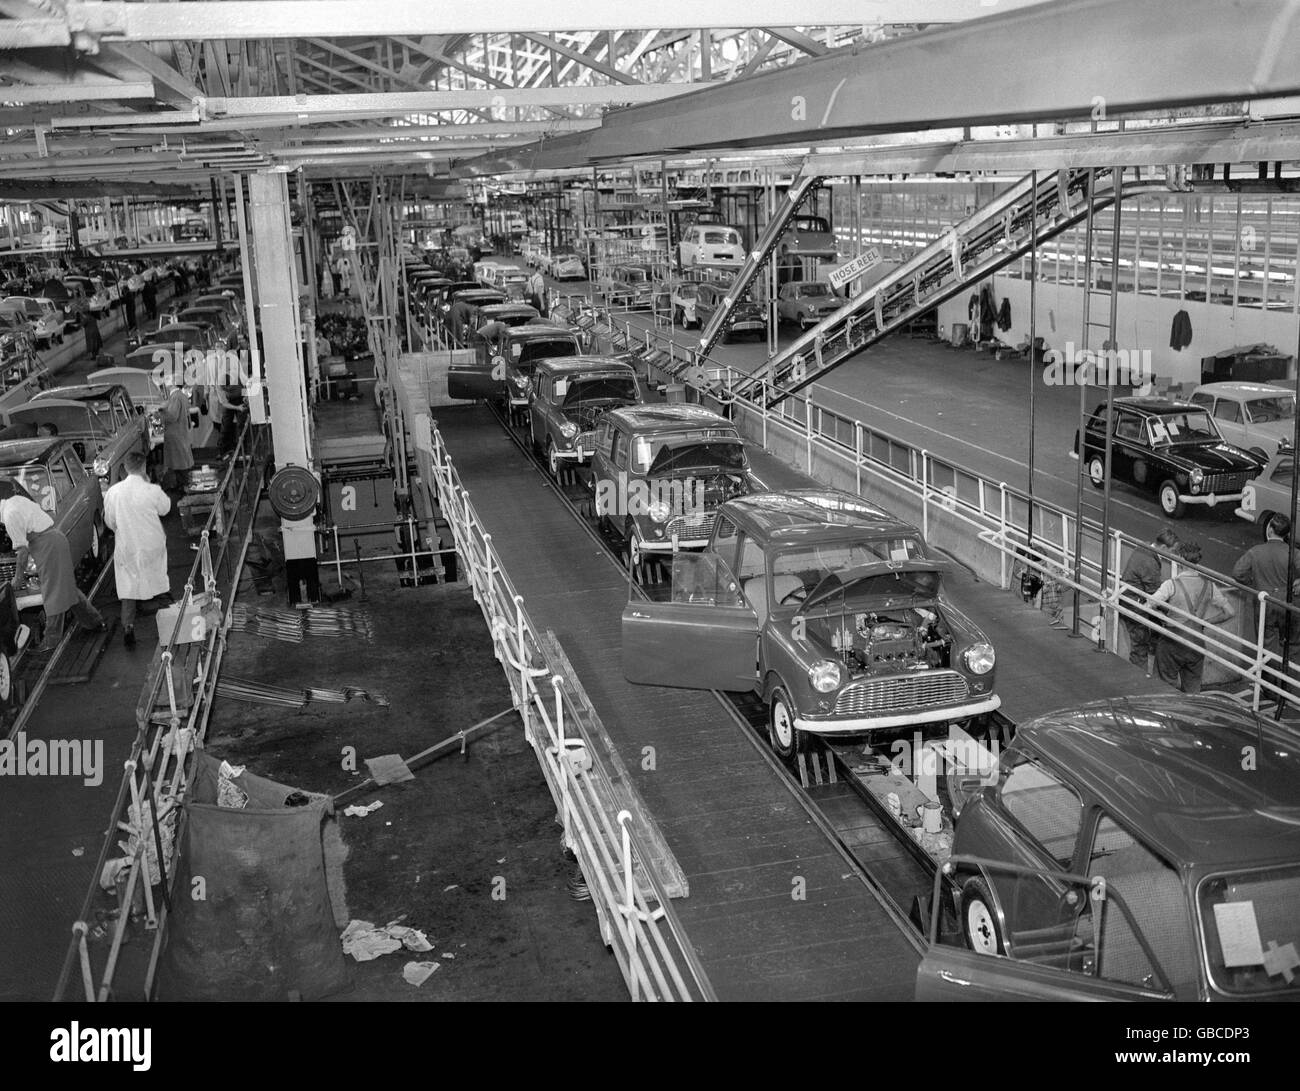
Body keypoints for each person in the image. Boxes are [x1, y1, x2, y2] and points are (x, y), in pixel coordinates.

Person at [0, 481, 105, 653]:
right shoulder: (15, 501)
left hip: (46, 545)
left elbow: (22, 552)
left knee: (53, 594)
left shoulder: (10, 516)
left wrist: (18, 578)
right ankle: (95, 621)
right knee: (67, 590)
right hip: (54, 539)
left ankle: (50, 641)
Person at [103, 450, 170, 648]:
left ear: (125, 468)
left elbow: (110, 521)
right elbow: (165, 508)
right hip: (152, 545)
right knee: (158, 581)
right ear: (144, 467)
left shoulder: (113, 492)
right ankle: (170, 623)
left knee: (129, 588)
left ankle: (128, 627)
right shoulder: (151, 490)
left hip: (128, 547)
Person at [1231, 513, 1300, 661]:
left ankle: (1266, 673)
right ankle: (1287, 674)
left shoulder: (1255, 551)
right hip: (1288, 602)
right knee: (1292, 644)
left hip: (1265, 602)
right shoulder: (1294, 553)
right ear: (1287, 533)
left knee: (1266, 643)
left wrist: (1252, 582)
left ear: (1270, 530)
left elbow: (1237, 572)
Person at [1148, 540, 1214, 694]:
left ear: (1180, 559)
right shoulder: (1209, 585)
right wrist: (1204, 622)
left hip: (1172, 641)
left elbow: (1150, 603)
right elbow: (1229, 612)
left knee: (1163, 687)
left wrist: (1164, 618)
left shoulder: (1171, 584)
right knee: (1192, 691)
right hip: (1197, 642)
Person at [1120, 528, 1180, 673]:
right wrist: (1171, 612)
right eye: (1173, 551)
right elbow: (1154, 592)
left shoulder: (1144, 546)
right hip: (1135, 604)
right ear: (1164, 548)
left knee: (1148, 637)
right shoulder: (1150, 562)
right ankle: (1139, 676)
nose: (1174, 555)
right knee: (1140, 645)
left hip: (1132, 598)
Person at [158, 379, 194, 491]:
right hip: (180, 432)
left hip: (175, 433)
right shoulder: (180, 396)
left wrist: (160, 411)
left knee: (179, 463)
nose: (165, 382)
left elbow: (172, 416)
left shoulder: (175, 397)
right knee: (180, 462)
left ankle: (184, 487)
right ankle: (182, 485)